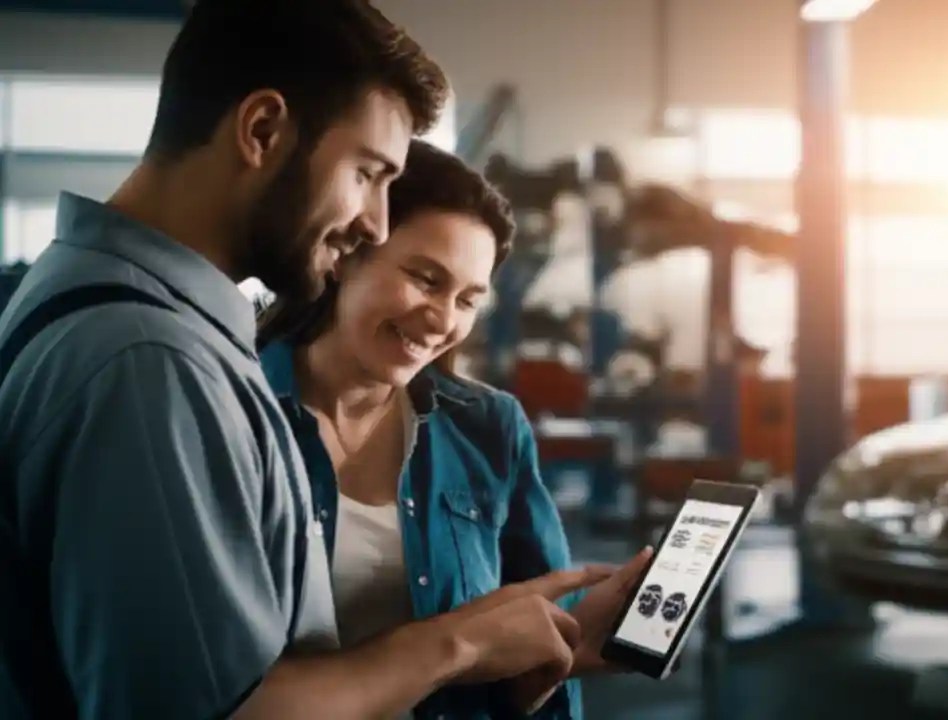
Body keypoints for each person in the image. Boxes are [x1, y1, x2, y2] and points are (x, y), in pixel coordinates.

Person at [0, 2, 614, 718]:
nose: (373, 222)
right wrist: (459, 644)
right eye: (366, 172)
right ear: (262, 130)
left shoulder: (115, 311)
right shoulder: (151, 361)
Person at [257, 139, 649, 719]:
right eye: (425, 278)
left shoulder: (488, 427)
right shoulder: (237, 409)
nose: (443, 320)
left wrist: (571, 640)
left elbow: (527, 665)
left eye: (468, 299)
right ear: (346, 253)